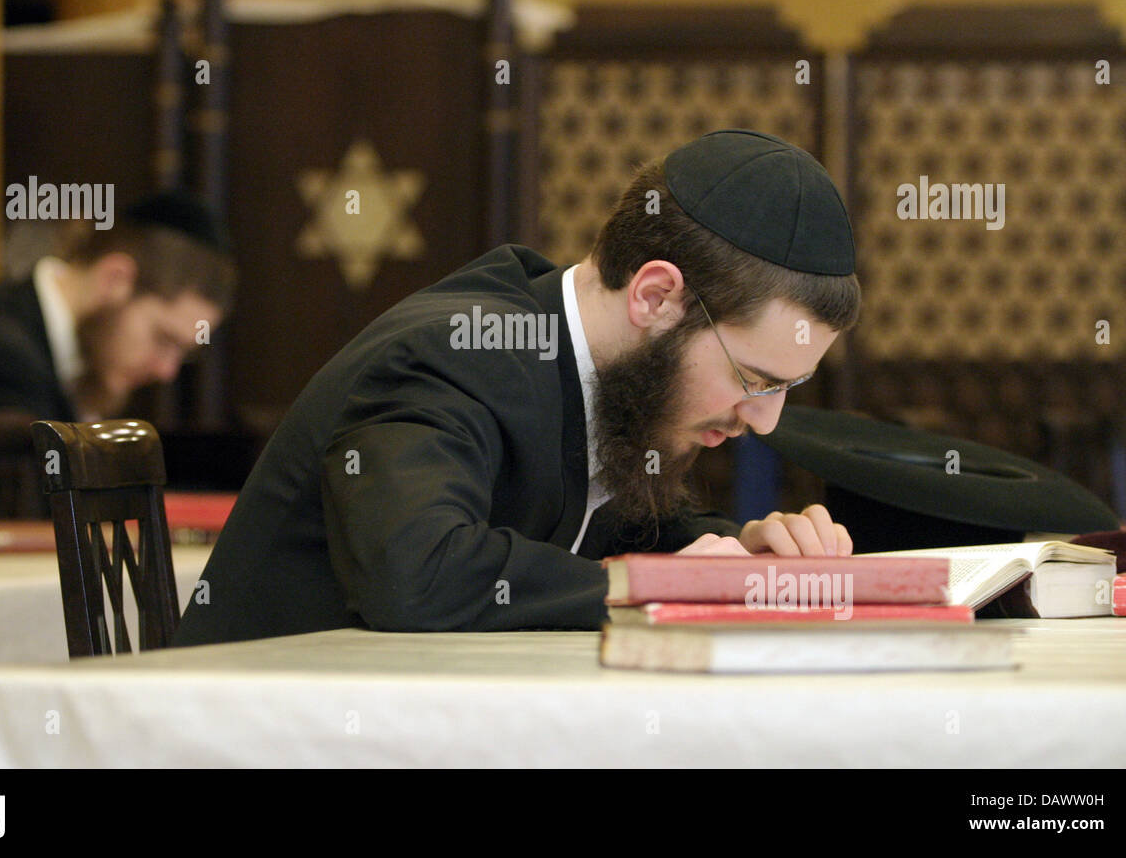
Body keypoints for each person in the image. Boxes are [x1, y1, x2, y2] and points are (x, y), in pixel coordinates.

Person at [174, 130, 861, 644]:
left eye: (788, 387)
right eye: (754, 379)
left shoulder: (591, 370)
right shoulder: (454, 353)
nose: (765, 422)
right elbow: (415, 573)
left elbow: (598, 534)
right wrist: (665, 585)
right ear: (655, 296)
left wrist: (743, 554)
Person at [0, 192, 237, 537]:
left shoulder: (45, 346)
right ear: (114, 279)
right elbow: (54, 536)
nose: (167, 371)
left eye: (183, 353)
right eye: (163, 339)